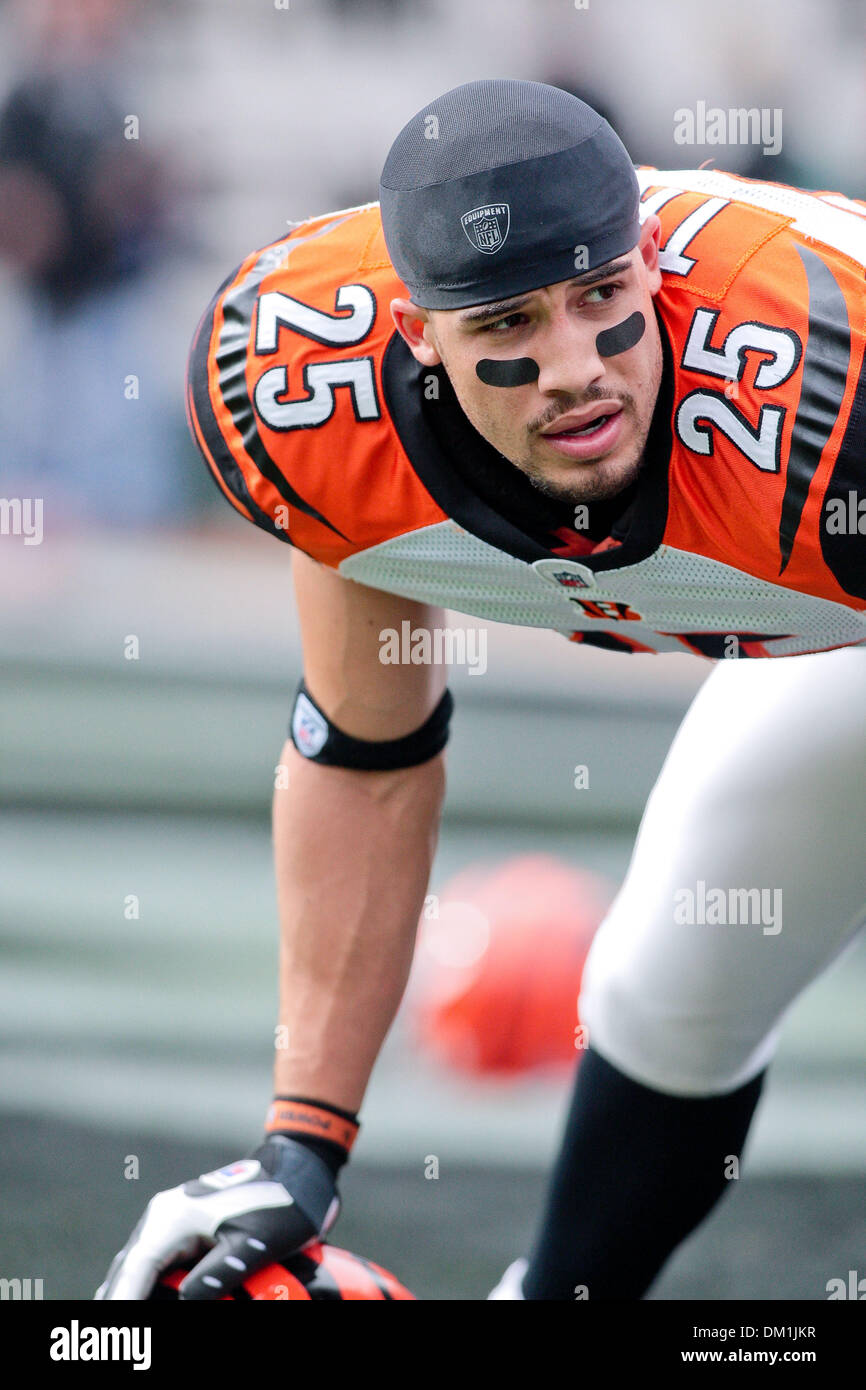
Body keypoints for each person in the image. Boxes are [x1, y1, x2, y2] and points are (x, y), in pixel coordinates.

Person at [96, 78, 866, 1301]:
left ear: (651, 263)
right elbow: (366, 748)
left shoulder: (830, 400)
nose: (574, 368)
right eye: (507, 322)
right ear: (415, 336)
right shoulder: (302, 386)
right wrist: (301, 1143)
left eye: (603, 298)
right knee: (667, 983)